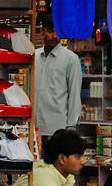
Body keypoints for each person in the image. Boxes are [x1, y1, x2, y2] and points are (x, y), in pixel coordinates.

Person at [33, 11, 82, 143]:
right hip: (34, 128)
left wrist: (71, 126)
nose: (54, 36)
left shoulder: (71, 59)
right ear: (42, 31)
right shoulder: (33, 57)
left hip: (58, 129)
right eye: (50, 31)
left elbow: (74, 95)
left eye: (57, 31)